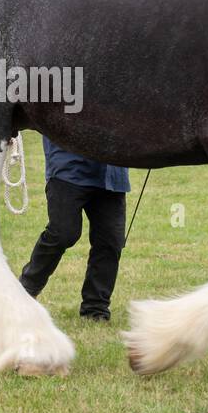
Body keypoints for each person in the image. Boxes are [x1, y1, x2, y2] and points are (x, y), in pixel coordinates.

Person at [18, 137, 129, 321]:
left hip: (112, 171)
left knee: (110, 242)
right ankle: (24, 292)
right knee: (63, 233)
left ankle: (96, 309)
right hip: (68, 167)